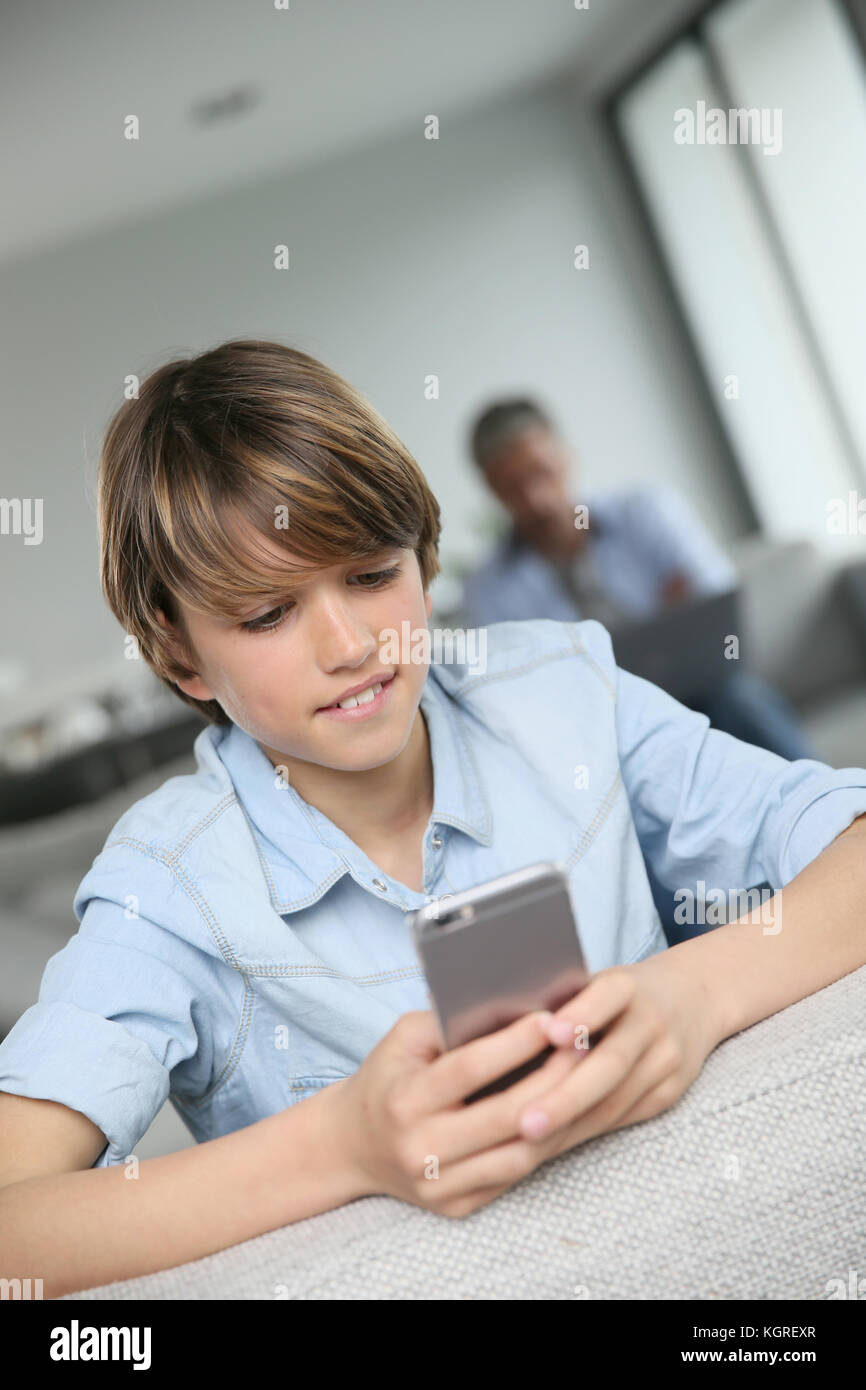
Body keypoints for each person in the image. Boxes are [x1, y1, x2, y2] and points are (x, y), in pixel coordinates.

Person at [3, 339, 866, 1299]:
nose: (355, 646)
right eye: (266, 616)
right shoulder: (166, 886)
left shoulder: (561, 690)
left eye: (373, 574)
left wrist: (691, 994)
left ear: (422, 555)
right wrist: (340, 1148)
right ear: (182, 658)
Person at [461, 397, 816, 764]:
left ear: (565, 455)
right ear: (492, 490)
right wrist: (669, 608)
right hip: (607, 737)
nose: (536, 500)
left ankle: (839, 812)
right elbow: (518, 694)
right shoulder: (487, 591)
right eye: (512, 489)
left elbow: (718, 603)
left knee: (737, 700)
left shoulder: (646, 509)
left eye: (542, 473)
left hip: (702, 693)